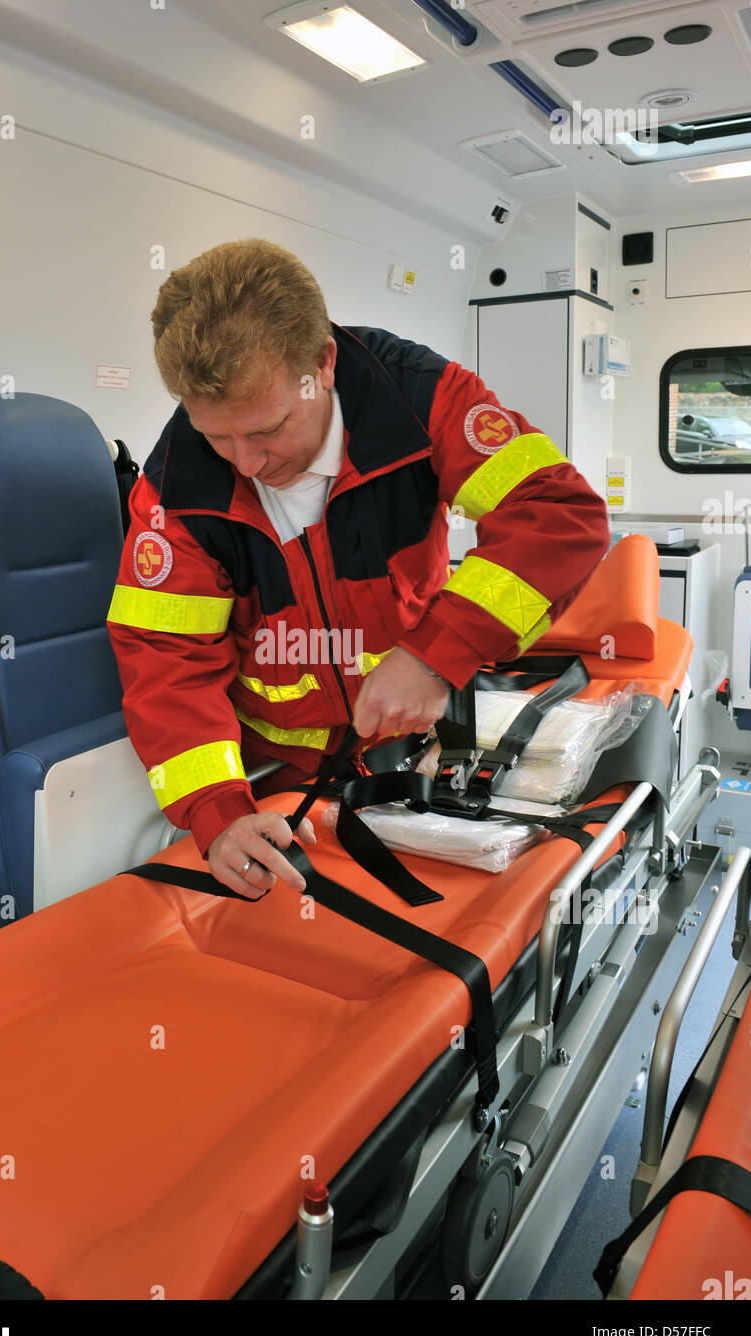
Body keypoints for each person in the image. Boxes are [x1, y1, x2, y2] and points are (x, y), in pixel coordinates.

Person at [107, 238, 610, 900]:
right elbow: (166, 659)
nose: (245, 463)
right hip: (276, 776)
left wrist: (436, 656)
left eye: (268, 429)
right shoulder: (176, 489)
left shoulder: (421, 401)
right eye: (217, 437)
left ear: (323, 362)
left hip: (413, 740)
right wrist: (216, 813)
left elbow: (557, 514)